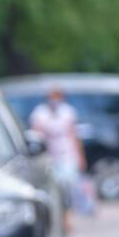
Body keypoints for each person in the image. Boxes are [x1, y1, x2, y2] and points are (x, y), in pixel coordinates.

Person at [29, 86, 95, 217]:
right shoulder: (40, 113)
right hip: (49, 155)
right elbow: (37, 133)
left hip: (67, 153)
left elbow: (74, 135)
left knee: (70, 184)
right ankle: (61, 213)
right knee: (55, 186)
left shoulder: (68, 112)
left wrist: (80, 156)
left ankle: (69, 212)